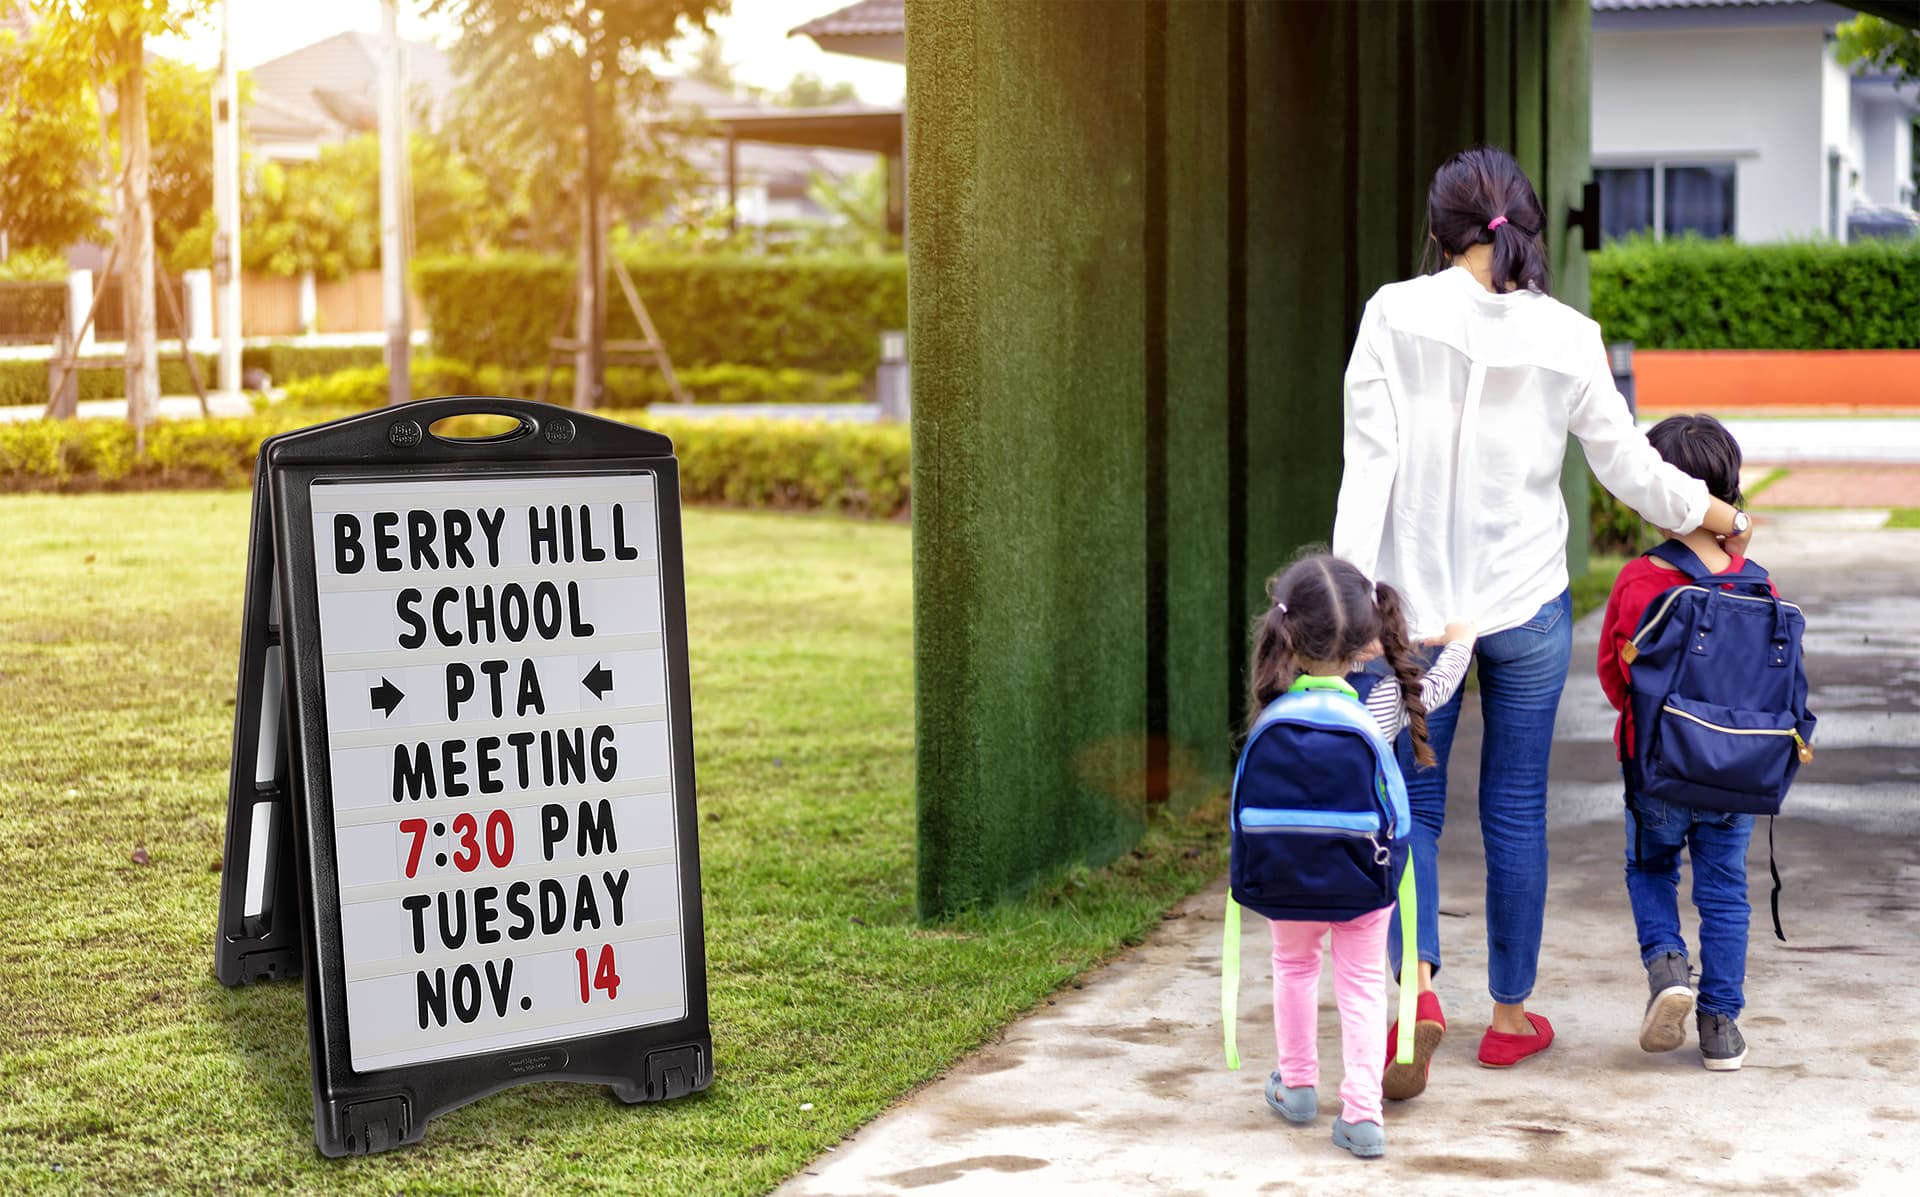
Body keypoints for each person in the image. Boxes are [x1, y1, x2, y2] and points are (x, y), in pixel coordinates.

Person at [1331, 145, 1753, 1093]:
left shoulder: (1391, 315)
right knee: (1515, 804)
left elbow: (1369, 473)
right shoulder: (1569, 334)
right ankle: (1512, 1015)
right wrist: (1718, 514)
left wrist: (1353, 604)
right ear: (1520, 227)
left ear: (1439, 231)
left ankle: (1420, 993)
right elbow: (1630, 470)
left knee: (1411, 802)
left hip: (1411, 608)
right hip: (1523, 598)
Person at [1248, 554, 1475, 1158]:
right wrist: (1461, 640)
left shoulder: (1272, 708)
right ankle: (1362, 1116)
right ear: (1367, 646)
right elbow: (1439, 686)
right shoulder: (1375, 713)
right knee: (1360, 984)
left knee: (1294, 969)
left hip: (1287, 875)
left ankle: (1296, 1086)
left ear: (1287, 635)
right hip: (1363, 876)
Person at [1596, 414, 1769, 1071]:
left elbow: (1616, 676)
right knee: (1725, 891)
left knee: (1650, 867)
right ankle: (1721, 1025)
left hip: (1658, 769)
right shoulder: (1757, 582)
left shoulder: (1640, 580)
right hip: (1735, 773)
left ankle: (1668, 967)